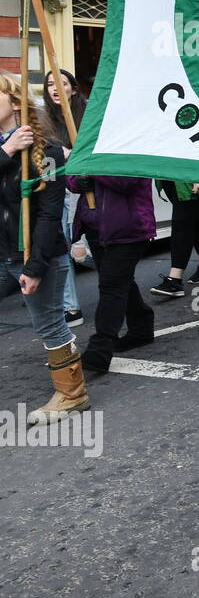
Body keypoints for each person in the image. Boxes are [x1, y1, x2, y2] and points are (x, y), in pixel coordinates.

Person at [2, 75, 85, 423]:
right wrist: (6, 152)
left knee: (50, 324)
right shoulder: (4, 150)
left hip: (35, 257)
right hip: (2, 254)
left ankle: (72, 394)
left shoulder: (46, 151)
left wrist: (35, 267)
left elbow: (51, 214)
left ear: (16, 103)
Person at [65, 169, 156, 376]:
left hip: (128, 227)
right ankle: (141, 326)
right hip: (96, 227)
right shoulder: (89, 145)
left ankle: (100, 349)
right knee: (118, 280)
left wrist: (95, 171)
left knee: (112, 284)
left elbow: (127, 181)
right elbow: (71, 181)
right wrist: (78, 180)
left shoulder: (132, 143)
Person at [43, 69, 88, 327]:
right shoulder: (44, 119)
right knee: (60, 245)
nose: (56, 88)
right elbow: (47, 161)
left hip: (85, 185)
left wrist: (74, 153)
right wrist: (48, 186)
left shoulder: (88, 112)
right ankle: (71, 308)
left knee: (84, 250)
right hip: (59, 187)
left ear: (72, 87)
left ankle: (120, 293)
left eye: (62, 83)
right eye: (50, 84)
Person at [151, 180, 199, 297]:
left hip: (191, 174)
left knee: (182, 219)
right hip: (170, 174)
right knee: (193, 213)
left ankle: (175, 280)